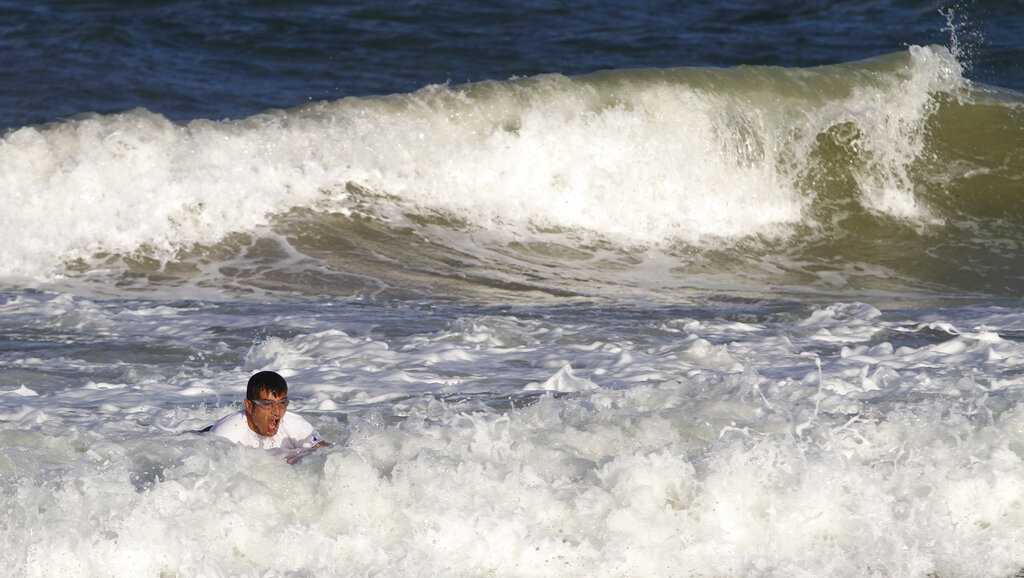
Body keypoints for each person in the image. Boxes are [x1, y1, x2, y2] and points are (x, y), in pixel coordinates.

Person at [209, 370, 329, 462]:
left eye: (282, 403)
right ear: (249, 406)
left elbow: (325, 451)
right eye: (268, 404)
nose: (277, 411)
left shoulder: (295, 424)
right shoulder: (225, 435)